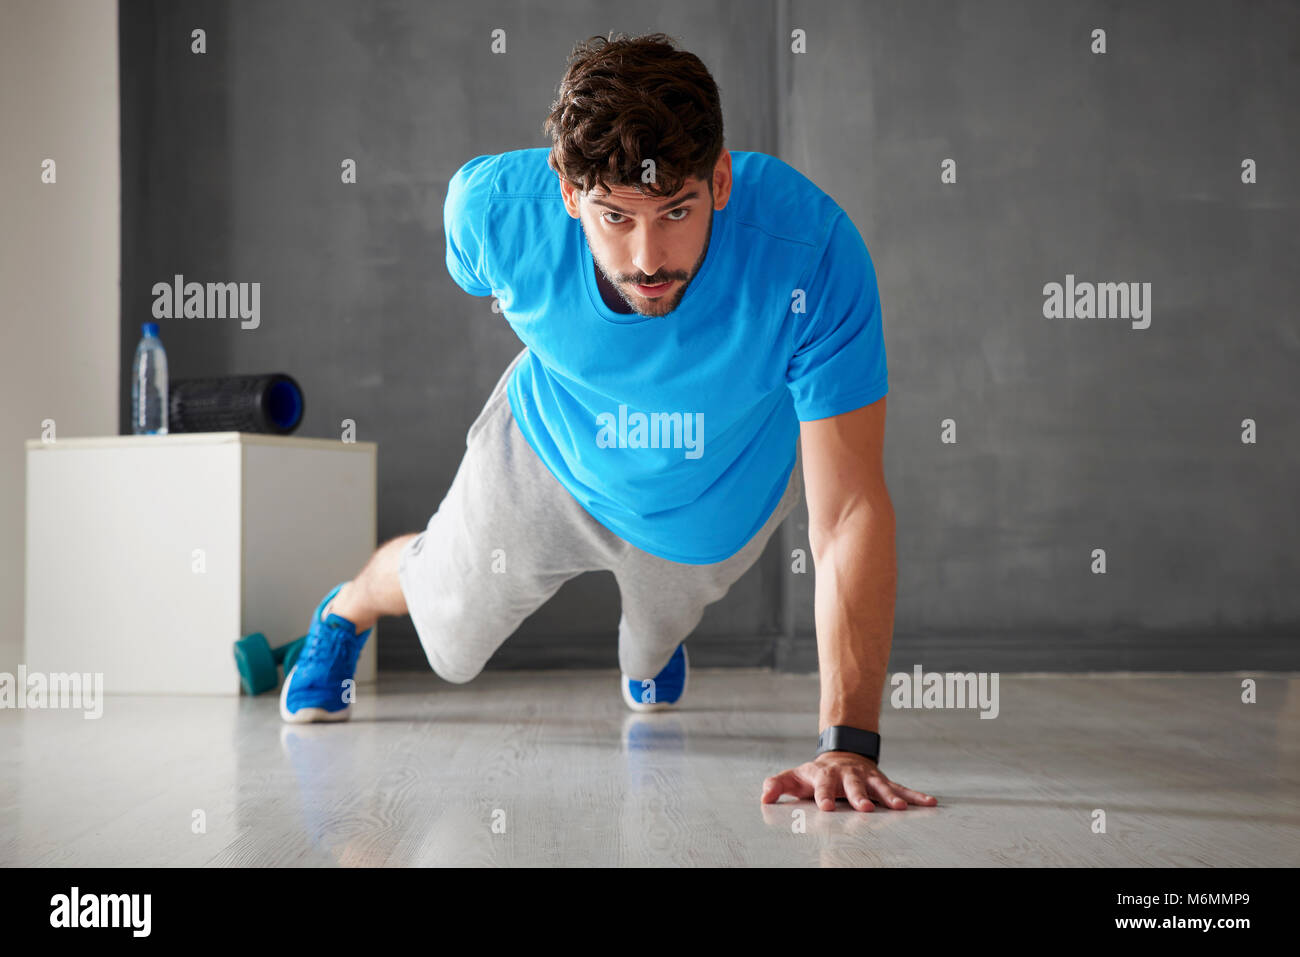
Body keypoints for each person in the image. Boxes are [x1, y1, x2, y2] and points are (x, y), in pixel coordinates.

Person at [281, 31, 936, 814]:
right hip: (548, 459)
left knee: (650, 653)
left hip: (710, 505)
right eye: (614, 216)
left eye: (676, 209)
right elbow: (475, 261)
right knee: (448, 647)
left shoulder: (814, 254)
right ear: (565, 190)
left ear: (721, 178)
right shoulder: (491, 213)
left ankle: (652, 651)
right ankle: (346, 606)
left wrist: (848, 743)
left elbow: (851, 510)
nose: (648, 256)